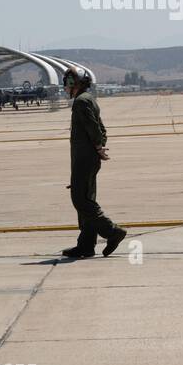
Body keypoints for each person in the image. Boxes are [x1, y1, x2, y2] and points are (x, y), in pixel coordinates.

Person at [62, 68, 127, 258]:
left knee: (80, 200)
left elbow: (93, 127)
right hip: (87, 157)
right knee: (86, 200)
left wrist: (98, 147)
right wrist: (99, 146)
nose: (65, 85)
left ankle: (112, 232)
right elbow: (101, 128)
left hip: (84, 158)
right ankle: (86, 245)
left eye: (68, 82)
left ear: (75, 83)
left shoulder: (81, 102)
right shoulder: (88, 99)